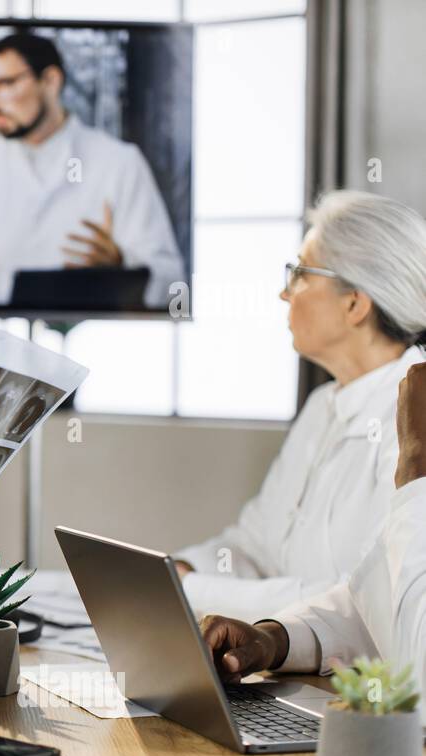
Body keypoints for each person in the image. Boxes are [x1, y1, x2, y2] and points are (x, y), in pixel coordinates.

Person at [174, 191, 426, 622]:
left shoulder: (414, 419)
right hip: (290, 661)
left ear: (355, 303)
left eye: (300, 274)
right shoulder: (320, 406)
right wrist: (184, 568)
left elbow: (360, 598)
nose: (284, 294)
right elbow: (256, 546)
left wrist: (190, 590)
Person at [199, 362, 426, 719]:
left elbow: (419, 669)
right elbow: (377, 603)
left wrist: (416, 471)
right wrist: (274, 640)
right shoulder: (323, 405)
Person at [0, 32, 183, 308]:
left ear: (50, 81)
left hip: (88, 342)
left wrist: (122, 269)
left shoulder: (118, 162)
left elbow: (170, 281)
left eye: (6, 84)